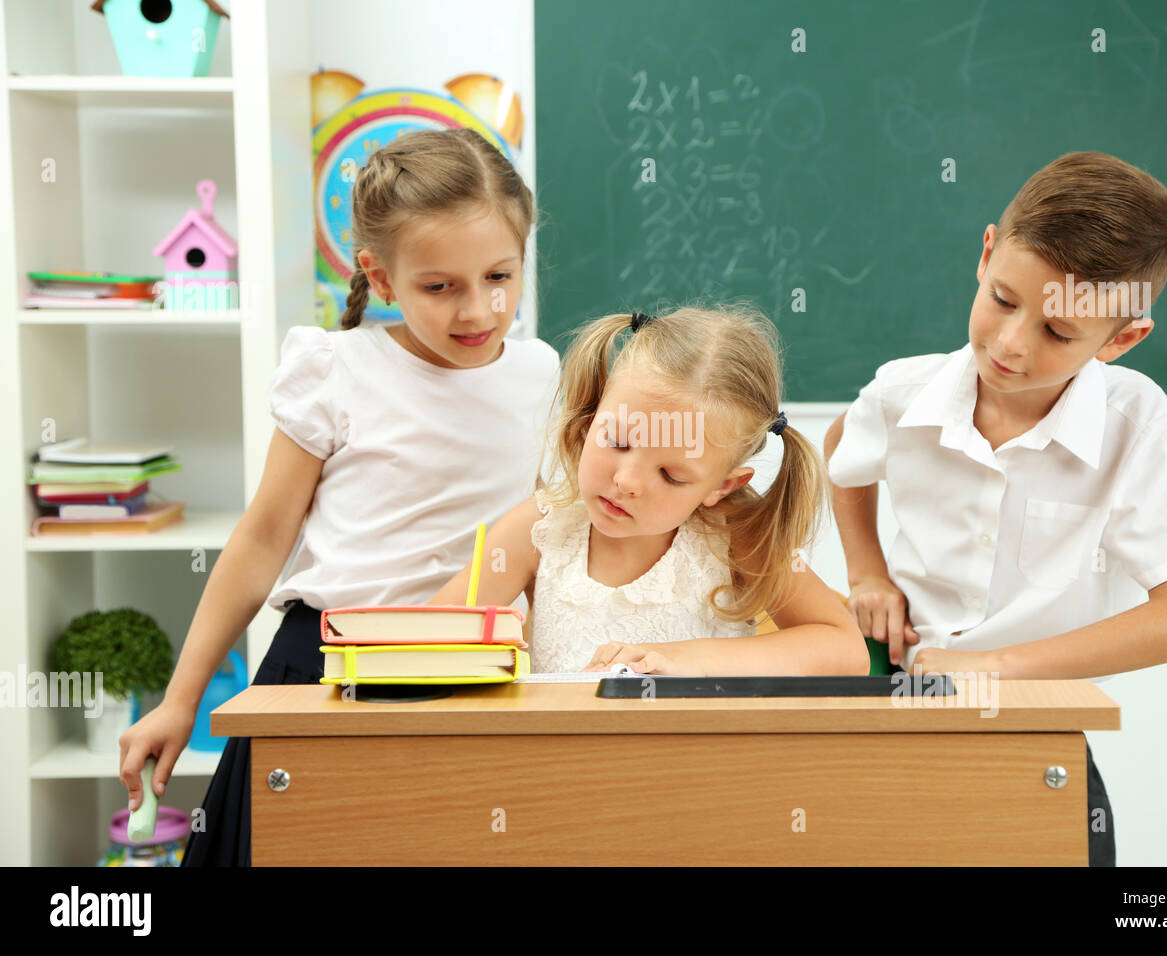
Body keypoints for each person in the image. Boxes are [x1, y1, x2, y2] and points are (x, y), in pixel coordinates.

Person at [117, 128, 560, 866]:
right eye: (439, 286)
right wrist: (180, 699)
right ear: (380, 278)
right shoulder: (333, 368)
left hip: (478, 677)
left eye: (499, 277)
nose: (479, 310)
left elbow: (546, 543)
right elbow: (262, 540)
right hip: (328, 669)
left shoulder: (543, 373)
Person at [823, 151, 1167, 866]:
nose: (1010, 343)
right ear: (986, 253)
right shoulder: (902, 394)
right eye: (1005, 299)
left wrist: (994, 668)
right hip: (898, 721)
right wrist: (866, 572)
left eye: (1059, 334)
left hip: (1039, 739)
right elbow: (842, 448)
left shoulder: (1138, 426)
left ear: (1121, 340)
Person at [429, 305, 869, 676]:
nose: (627, 482)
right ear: (590, 418)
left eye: (671, 476)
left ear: (722, 486)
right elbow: (424, 640)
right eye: (617, 442)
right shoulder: (540, 529)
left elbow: (845, 651)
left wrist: (686, 657)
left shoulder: (735, 536)